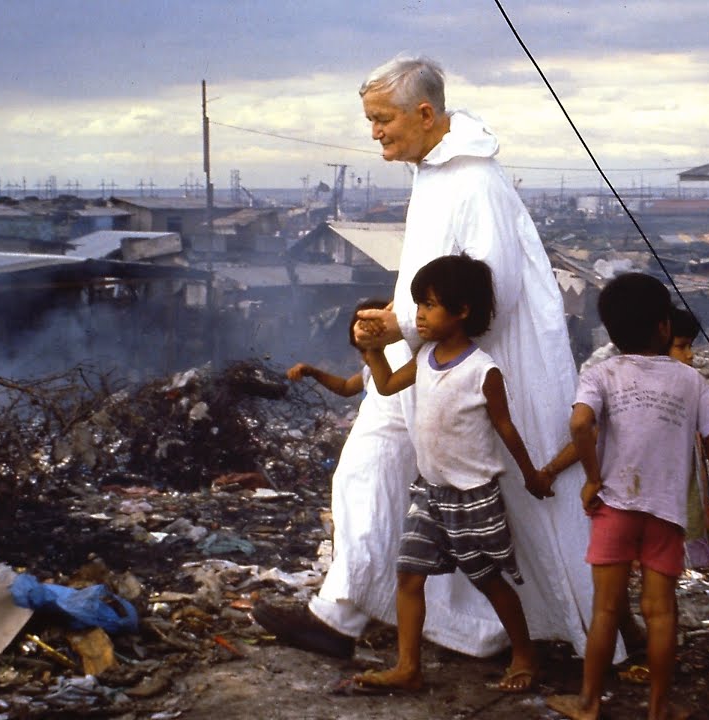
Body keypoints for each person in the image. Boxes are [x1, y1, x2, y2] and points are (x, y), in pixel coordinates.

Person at [253, 53, 601, 665]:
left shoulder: (475, 182)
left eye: (382, 118)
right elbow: (432, 275)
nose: (375, 133)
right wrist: (394, 319)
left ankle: (509, 631)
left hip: (462, 369)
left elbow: (494, 288)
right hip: (424, 359)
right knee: (371, 472)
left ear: (423, 112)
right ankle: (344, 616)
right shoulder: (434, 174)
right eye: (370, 120)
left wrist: (402, 322)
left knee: (460, 497)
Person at [543, 273, 709, 720]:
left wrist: (592, 478)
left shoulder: (601, 373)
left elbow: (579, 426)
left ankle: (589, 703)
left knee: (606, 610)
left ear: (610, 330)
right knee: (661, 612)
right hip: (666, 512)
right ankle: (658, 707)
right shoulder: (689, 380)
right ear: (664, 327)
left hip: (615, 504)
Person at [351, 253, 541, 693]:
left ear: (462, 311)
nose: (420, 315)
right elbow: (385, 385)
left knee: (488, 579)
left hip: (473, 497)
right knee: (408, 575)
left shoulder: (482, 370)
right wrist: (372, 350)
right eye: (418, 304)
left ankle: (525, 654)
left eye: (431, 305)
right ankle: (408, 667)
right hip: (430, 491)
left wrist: (531, 474)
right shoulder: (427, 356)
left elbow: (506, 428)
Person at [667, 306, 709, 568]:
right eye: (681, 347)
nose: (690, 355)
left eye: (689, 346)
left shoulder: (691, 388)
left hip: (691, 507)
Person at [285, 298, 390, 398]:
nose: (366, 358)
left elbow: (386, 387)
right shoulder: (370, 371)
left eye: (374, 350)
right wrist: (313, 372)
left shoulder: (397, 374)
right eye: (362, 351)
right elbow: (346, 387)